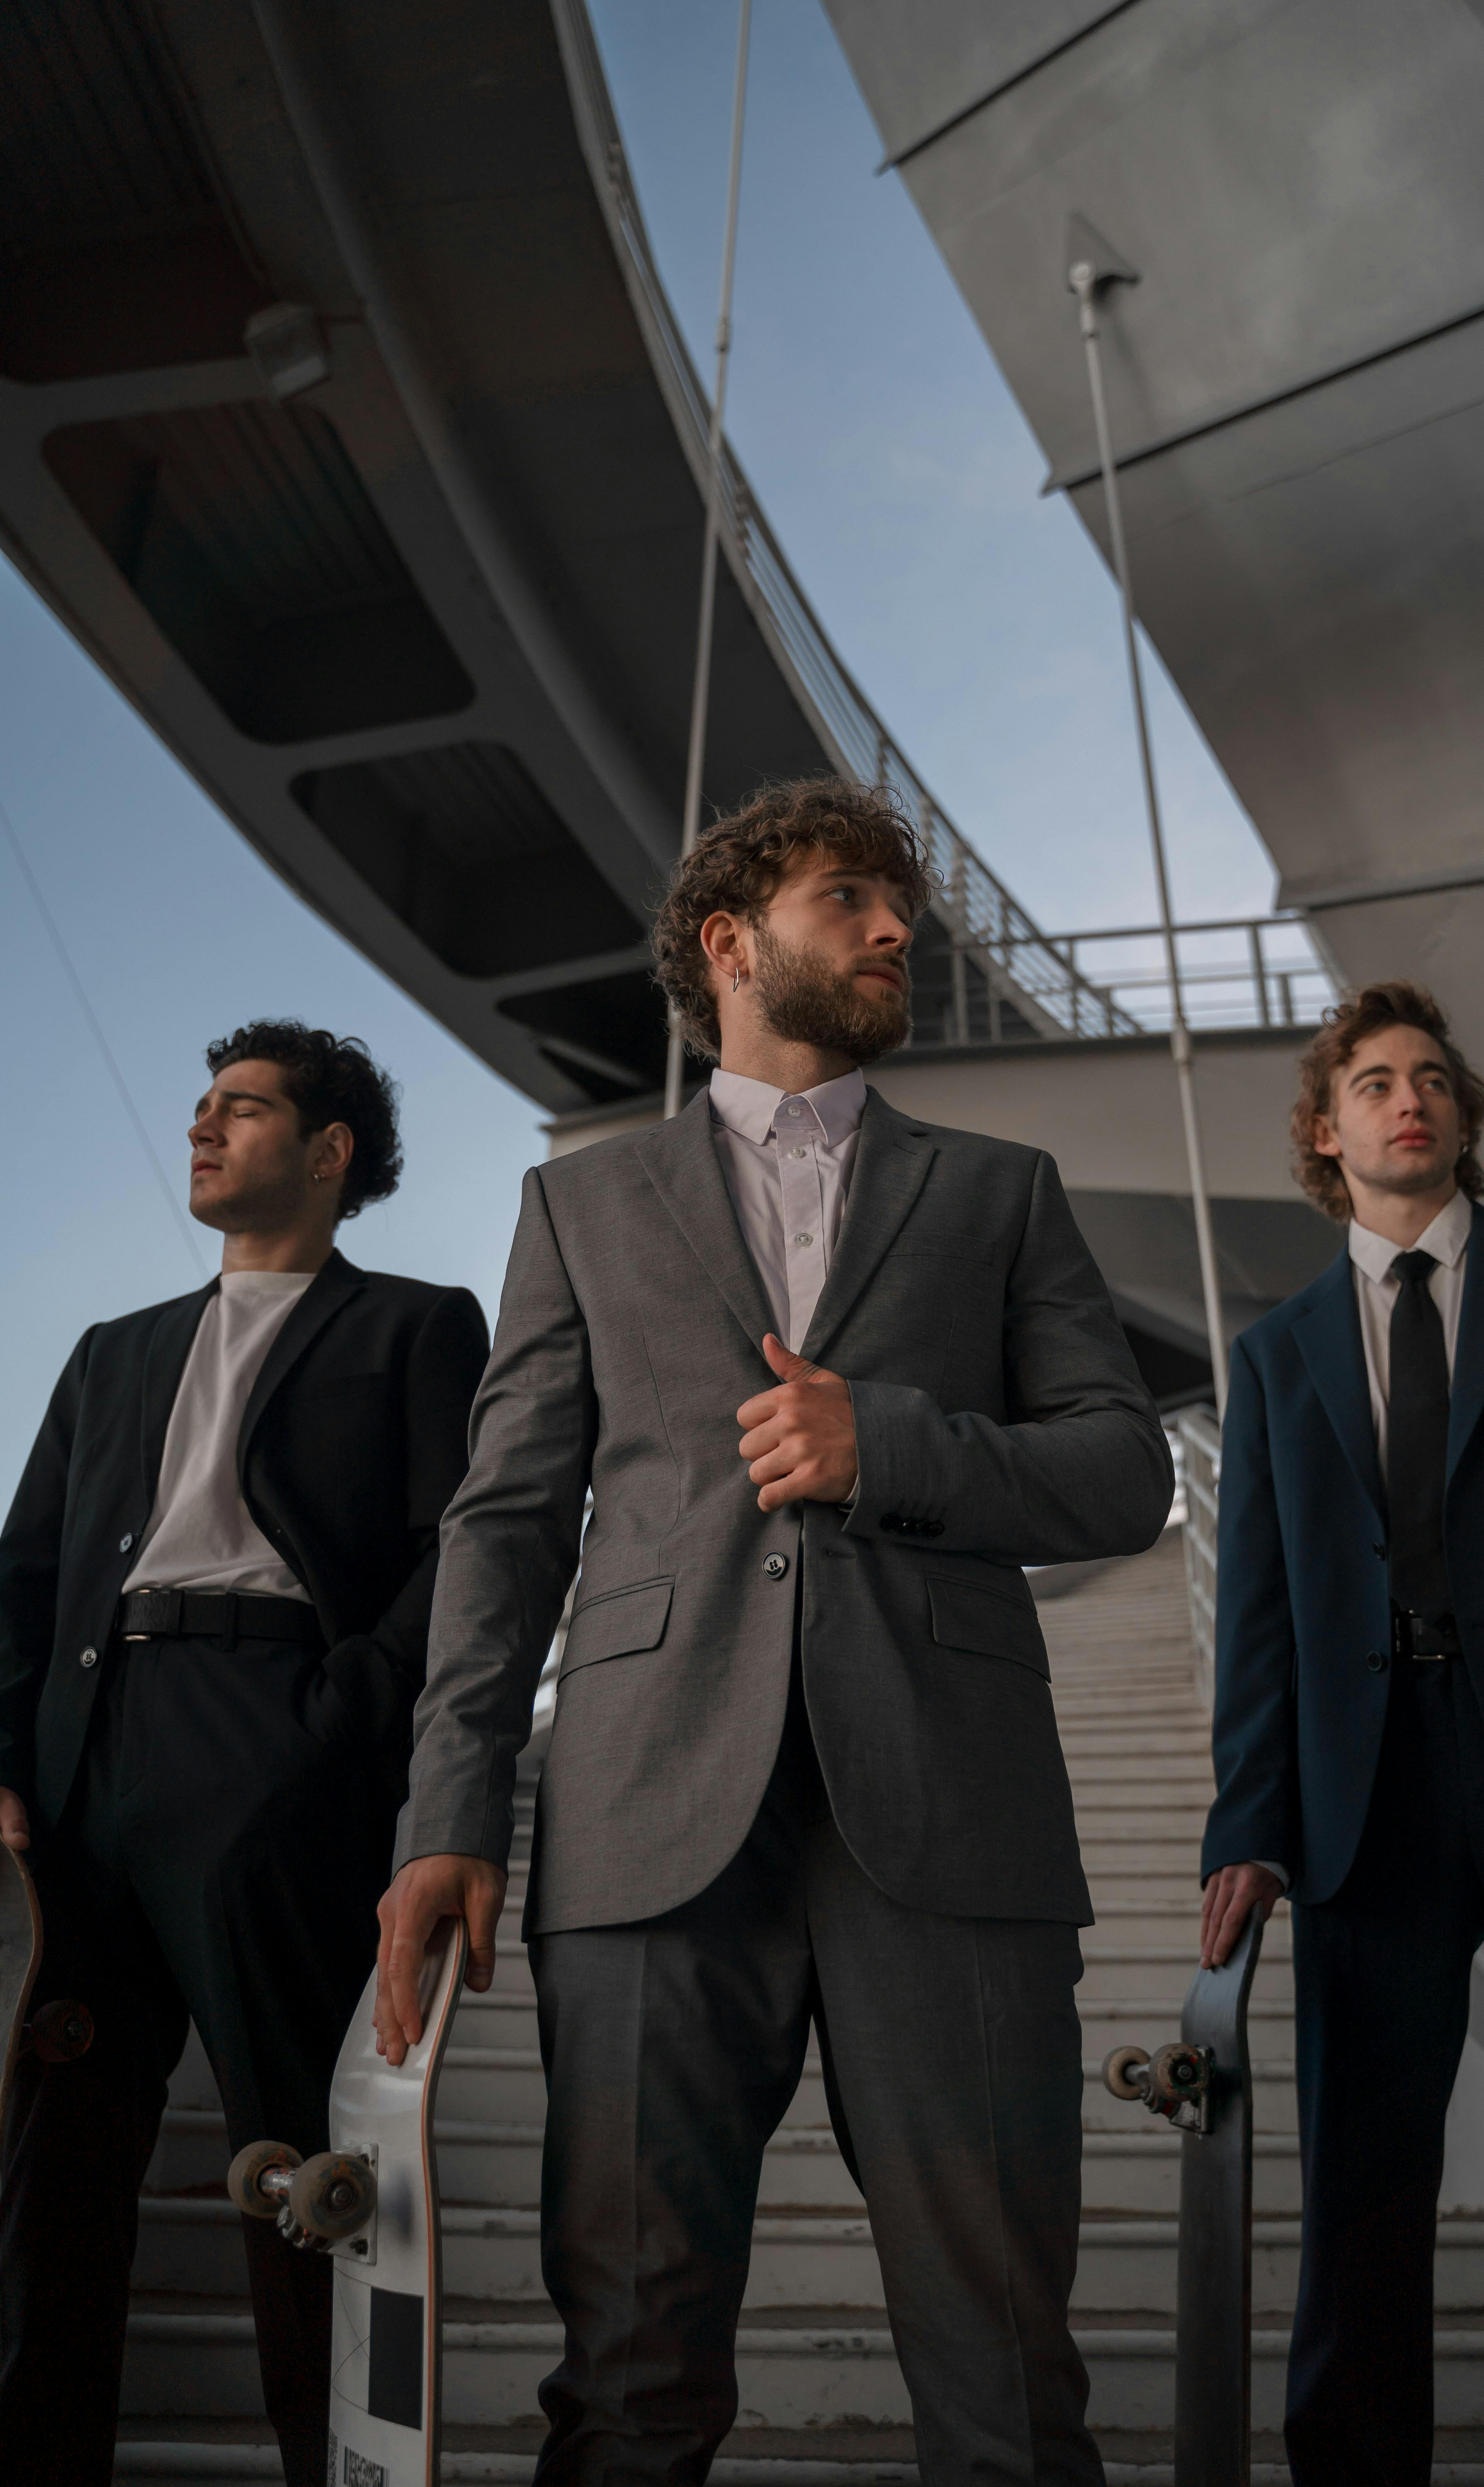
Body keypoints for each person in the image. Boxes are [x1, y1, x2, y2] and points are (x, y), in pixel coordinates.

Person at [373, 777, 1174, 2485]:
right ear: (731, 944)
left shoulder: (1001, 1189)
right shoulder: (582, 1204)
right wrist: (448, 1815)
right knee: (629, 2368)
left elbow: (1122, 1474)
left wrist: (896, 1447)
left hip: (954, 1817)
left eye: (903, 909)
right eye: (850, 899)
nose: (898, 932)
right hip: (644, 1811)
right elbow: (506, 1524)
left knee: (1007, 2372)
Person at [0, 1021, 489, 2487]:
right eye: (202, 1107)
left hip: (272, 1744)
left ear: (331, 1154)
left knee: (300, 2169)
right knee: (52, 2168)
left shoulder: (416, 1324)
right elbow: (22, 1574)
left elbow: (458, 1555)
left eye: (246, 1109)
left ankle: (328, 2460)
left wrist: (332, 1727)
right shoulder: (112, 1352)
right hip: (91, 1763)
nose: (206, 1129)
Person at [1198, 980, 1484, 2486]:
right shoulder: (1273, 1359)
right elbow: (1256, 1614)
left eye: (1432, 1079)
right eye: (1374, 1083)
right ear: (1327, 1136)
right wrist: (1251, 1825)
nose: (1410, 1097)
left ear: (1459, 1118)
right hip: (1364, 1792)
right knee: (1364, 2193)